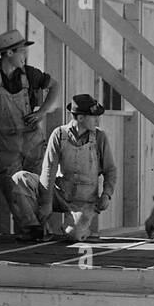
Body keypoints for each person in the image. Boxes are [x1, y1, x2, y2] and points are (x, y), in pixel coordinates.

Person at [0, 28, 63, 241]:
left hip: (32, 140)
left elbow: (55, 86)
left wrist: (42, 111)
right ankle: (32, 230)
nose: (25, 56)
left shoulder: (30, 74)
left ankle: (43, 230)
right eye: (21, 52)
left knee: (38, 185)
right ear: (9, 53)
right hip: (4, 142)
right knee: (12, 188)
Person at [25, 94, 117, 243]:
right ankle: (35, 229)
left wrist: (107, 194)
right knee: (21, 179)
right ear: (80, 118)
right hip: (60, 194)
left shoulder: (100, 137)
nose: (97, 120)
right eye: (94, 117)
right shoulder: (59, 134)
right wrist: (47, 203)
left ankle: (81, 228)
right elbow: (49, 170)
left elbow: (110, 170)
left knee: (73, 235)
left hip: (84, 201)